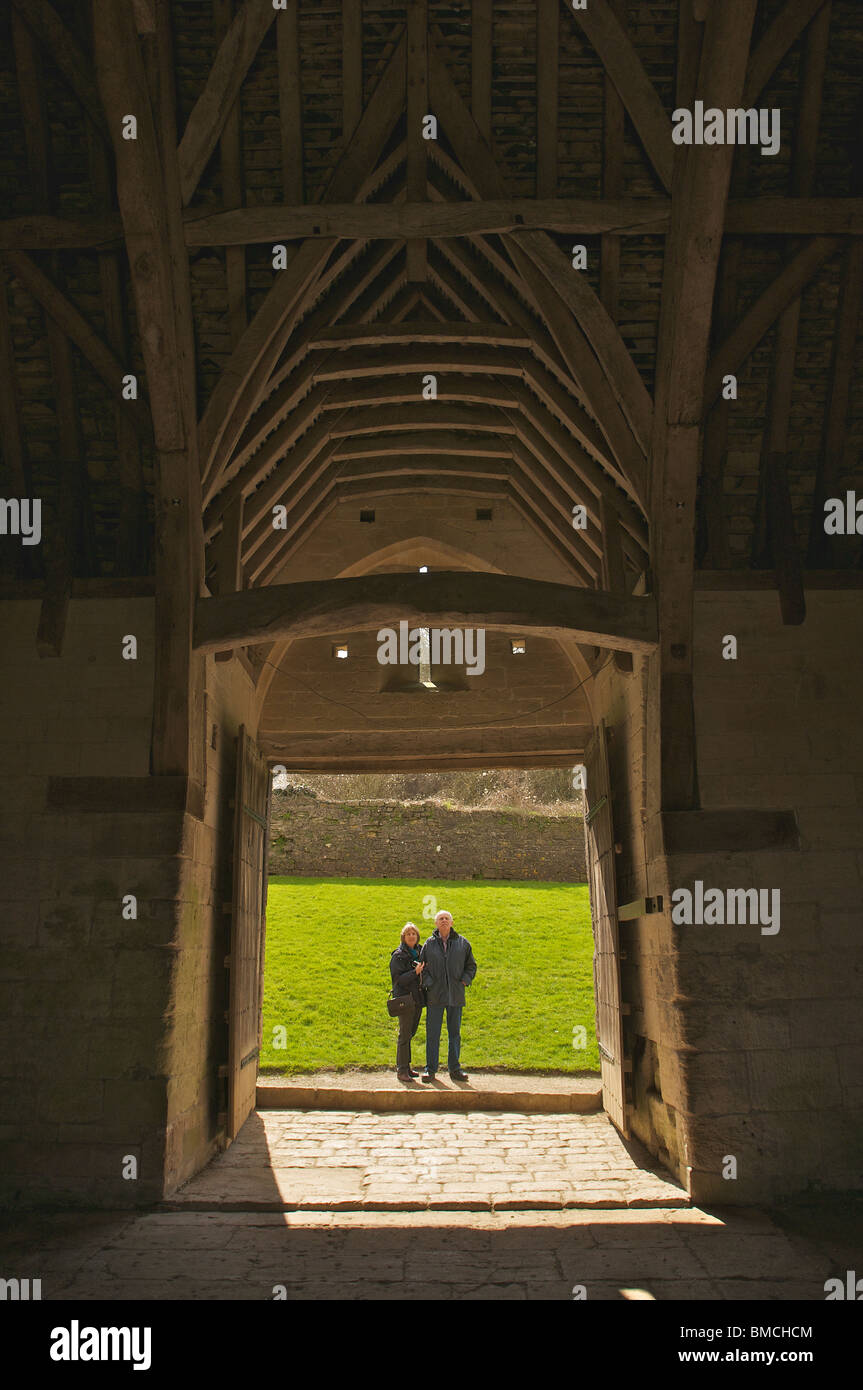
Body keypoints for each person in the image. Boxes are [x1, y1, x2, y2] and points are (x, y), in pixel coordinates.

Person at [419, 910, 477, 1083]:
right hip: (435, 996)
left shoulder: (463, 943)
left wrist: (465, 981)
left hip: (455, 995)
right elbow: (422, 967)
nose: (443, 921)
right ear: (436, 923)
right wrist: (429, 983)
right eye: (440, 919)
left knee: (454, 1034)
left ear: (452, 923)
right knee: (432, 1034)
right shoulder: (429, 944)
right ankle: (430, 1070)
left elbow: (471, 966)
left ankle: (455, 1069)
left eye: (446, 919)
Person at [389, 922, 425, 1082]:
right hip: (405, 999)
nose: (411, 936)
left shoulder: (420, 952)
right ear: (403, 937)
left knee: (410, 1033)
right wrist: (415, 972)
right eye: (408, 934)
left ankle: (407, 1066)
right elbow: (398, 980)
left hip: (417, 999)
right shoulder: (398, 955)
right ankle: (401, 1069)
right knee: (404, 1034)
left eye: (414, 934)